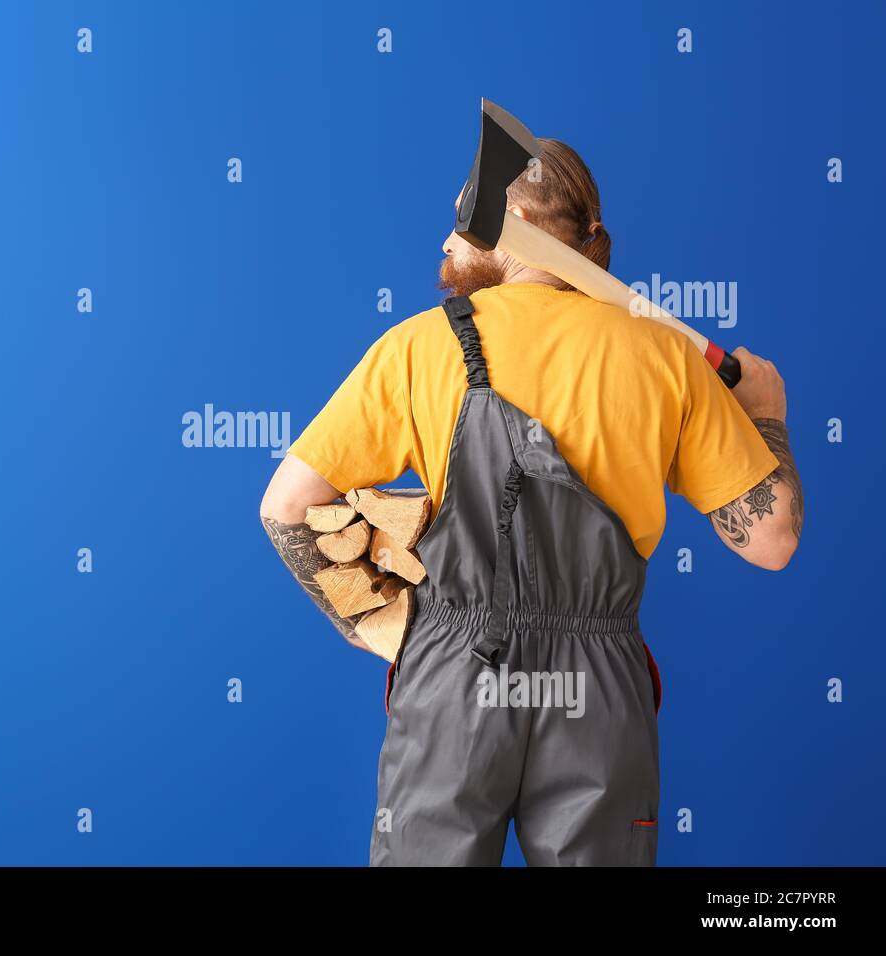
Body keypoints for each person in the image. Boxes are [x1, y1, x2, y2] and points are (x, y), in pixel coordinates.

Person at [259, 139, 803, 866]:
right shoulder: (665, 358)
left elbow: (287, 504)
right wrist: (765, 417)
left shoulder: (418, 347)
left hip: (453, 672)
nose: (446, 243)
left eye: (458, 224)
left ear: (508, 217)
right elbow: (772, 541)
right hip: (597, 688)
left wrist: (367, 623)